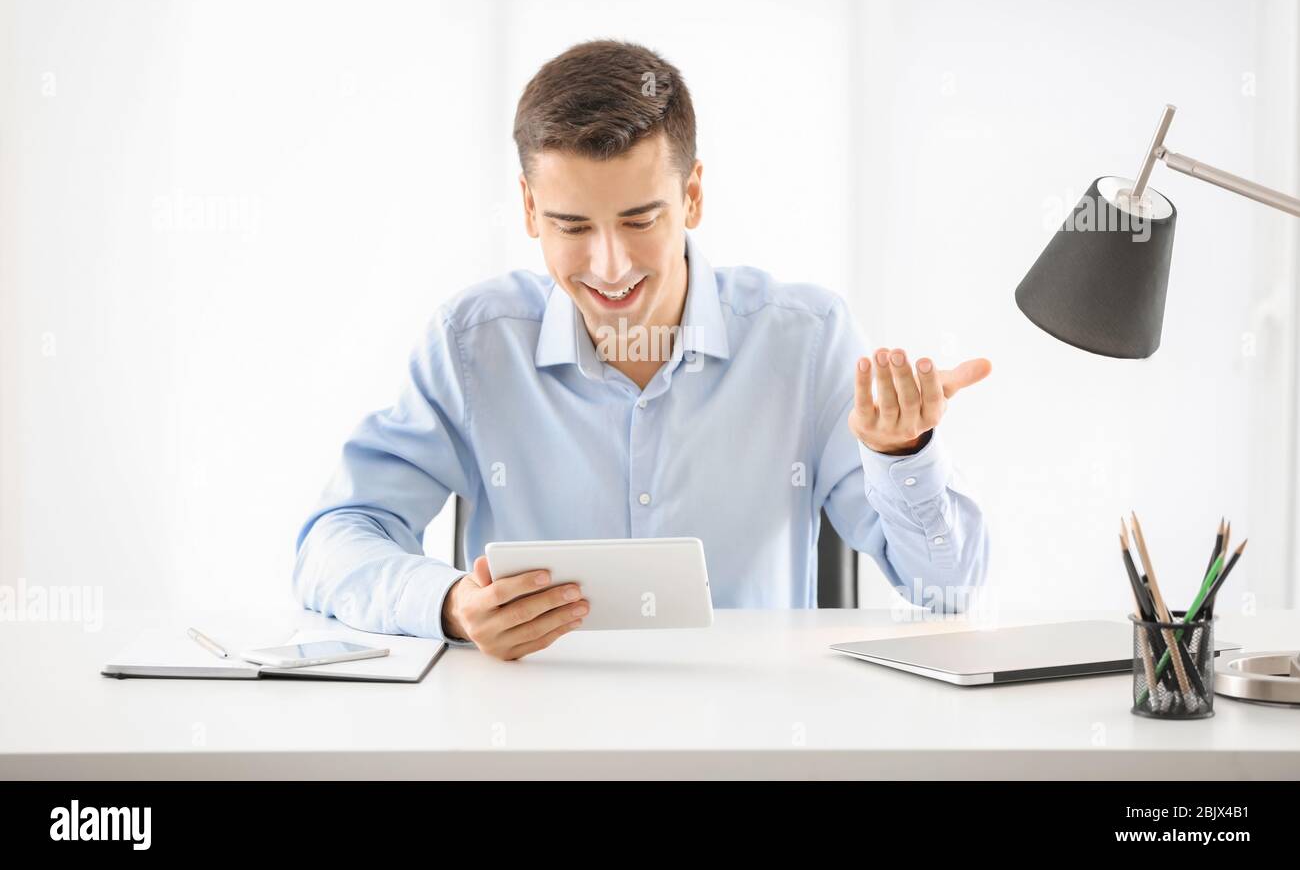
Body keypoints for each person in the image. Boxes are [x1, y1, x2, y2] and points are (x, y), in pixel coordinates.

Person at [294, 39, 992, 661]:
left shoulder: (807, 340)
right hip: (529, 737)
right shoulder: (472, 345)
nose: (608, 265)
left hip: (754, 740)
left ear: (691, 197)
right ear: (530, 209)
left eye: (640, 219)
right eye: (571, 225)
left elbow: (949, 591)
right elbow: (333, 544)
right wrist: (449, 604)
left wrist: (902, 457)